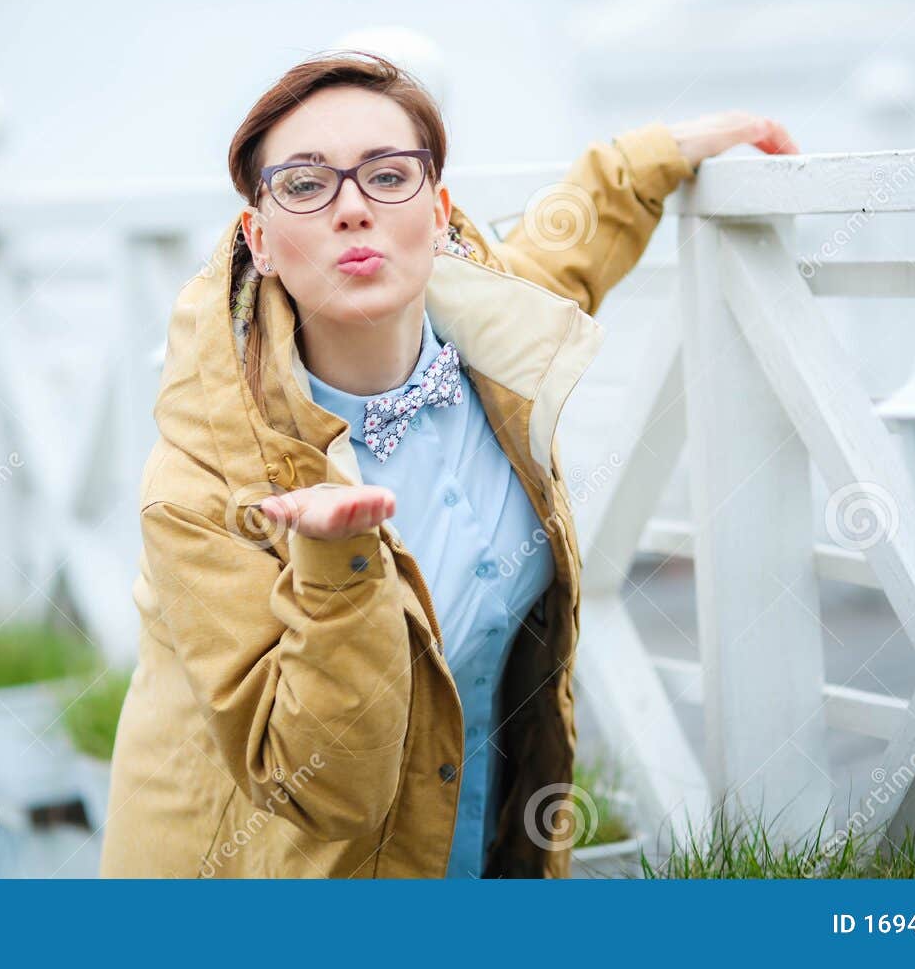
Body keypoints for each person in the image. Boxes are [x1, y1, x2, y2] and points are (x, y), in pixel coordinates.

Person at [98, 51, 797, 878]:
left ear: (439, 215)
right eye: (305, 185)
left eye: (388, 176)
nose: (353, 209)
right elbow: (326, 790)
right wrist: (334, 571)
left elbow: (567, 247)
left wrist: (659, 154)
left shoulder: (485, 334)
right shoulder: (202, 481)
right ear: (262, 241)